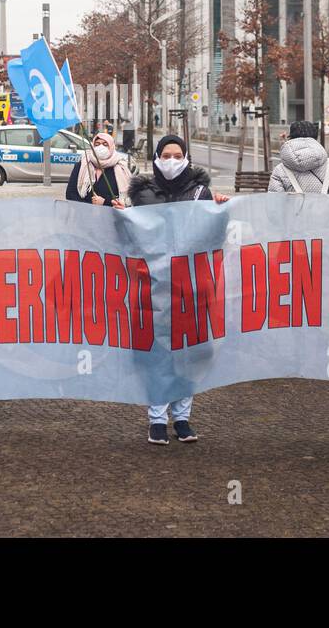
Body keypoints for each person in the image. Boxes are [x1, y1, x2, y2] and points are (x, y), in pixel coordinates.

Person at [126, 135, 229, 445]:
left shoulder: (201, 193)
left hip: (190, 285)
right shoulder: (143, 194)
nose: (171, 160)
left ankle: (182, 417)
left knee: (188, 351)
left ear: (186, 158)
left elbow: (214, 237)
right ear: (157, 158)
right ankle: (157, 419)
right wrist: (119, 215)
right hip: (154, 286)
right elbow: (131, 237)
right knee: (157, 353)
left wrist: (220, 213)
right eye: (166, 154)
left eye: (177, 154)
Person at [268, 127, 329, 195]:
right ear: (315, 139)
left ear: (291, 139)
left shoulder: (280, 170)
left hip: (293, 209)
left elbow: (275, 203)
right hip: (326, 208)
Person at [67, 131, 131, 207]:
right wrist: (88, 206)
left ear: (111, 147)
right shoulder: (83, 165)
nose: (101, 147)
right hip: (84, 214)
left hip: (110, 216)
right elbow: (70, 193)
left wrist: (104, 202)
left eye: (105, 144)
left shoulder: (120, 168)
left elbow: (125, 200)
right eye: (97, 144)